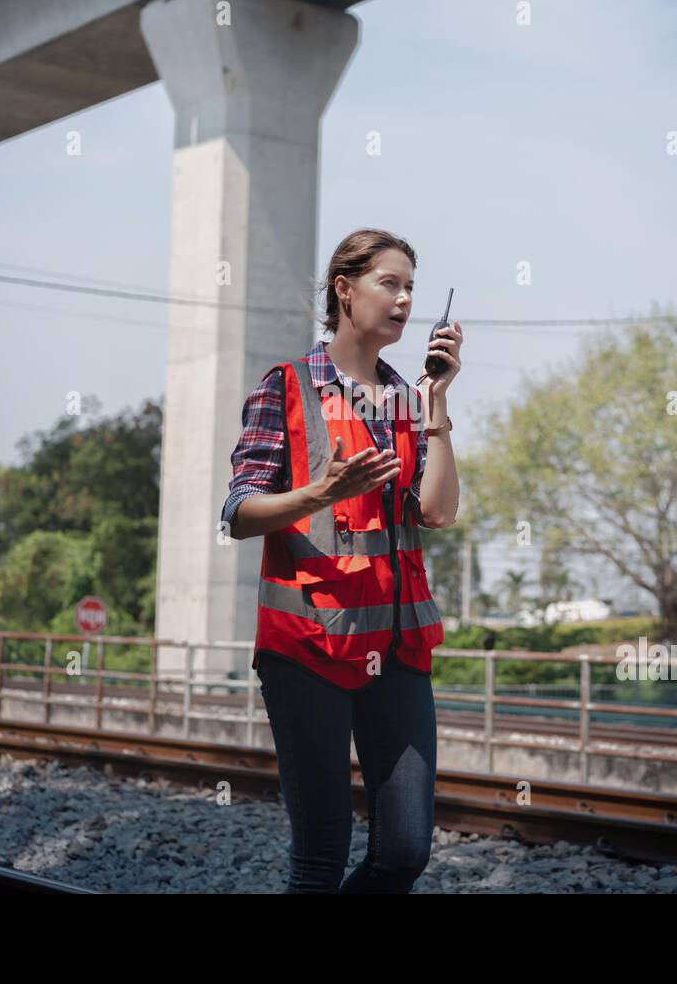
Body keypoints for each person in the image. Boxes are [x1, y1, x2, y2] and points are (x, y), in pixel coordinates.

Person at [220, 227, 463, 893]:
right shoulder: (288, 387)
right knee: (322, 853)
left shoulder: (408, 403)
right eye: (391, 283)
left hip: (397, 650)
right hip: (307, 650)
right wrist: (319, 492)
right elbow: (237, 512)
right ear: (345, 288)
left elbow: (437, 511)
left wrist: (437, 403)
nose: (405, 299)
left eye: (412, 286)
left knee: (406, 850)